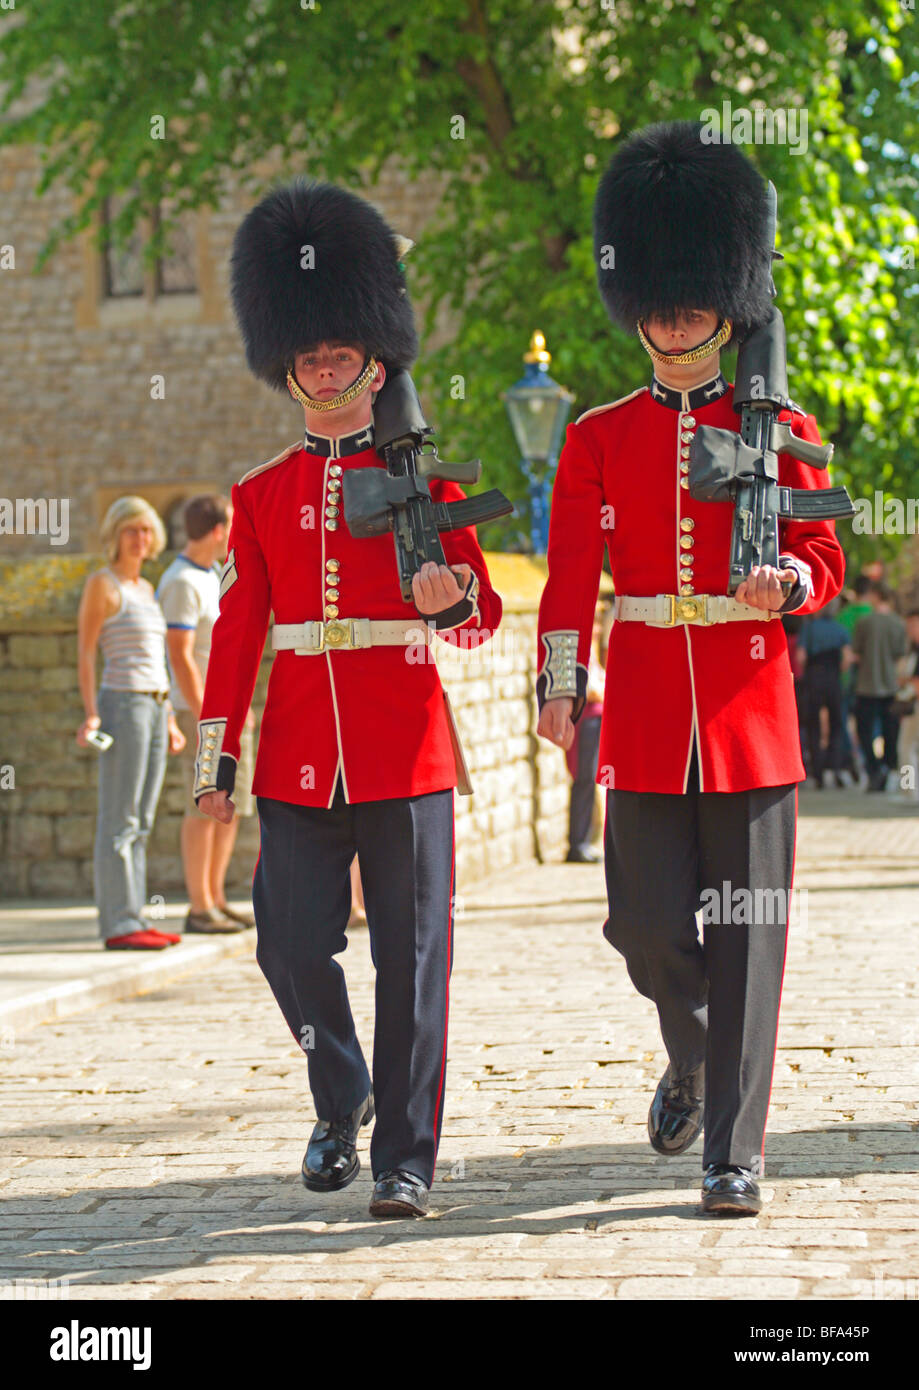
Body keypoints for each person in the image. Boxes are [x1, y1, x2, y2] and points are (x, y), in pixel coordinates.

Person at [536, 122, 845, 1216]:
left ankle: (735, 1154)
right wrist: (560, 685)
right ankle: (697, 1056)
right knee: (646, 924)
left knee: (749, 941)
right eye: (658, 302)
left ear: (727, 298)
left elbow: (822, 551)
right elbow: (569, 577)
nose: (673, 319)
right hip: (650, 709)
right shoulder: (597, 437)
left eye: (691, 298)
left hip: (751, 708)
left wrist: (790, 587)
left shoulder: (781, 425)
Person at [194, 180, 501, 1219]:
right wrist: (215, 769)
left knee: (412, 956)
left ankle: (406, 1156)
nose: (324, 368)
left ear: (375, 360)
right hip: (294, 760)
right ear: (288, 367)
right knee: (285, 940)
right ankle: (343, 1094)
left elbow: (481, 616)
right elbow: (239, 638)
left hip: (403, 748)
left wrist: (449, 592)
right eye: (308, 355)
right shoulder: (261, 494)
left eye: (340, 353)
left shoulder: (425, 481)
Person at [76, 497, 186, 950]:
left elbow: (157, 660)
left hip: (156, 707)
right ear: (115, 534)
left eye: (146, 530)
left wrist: (172, 719)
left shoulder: (147, 587)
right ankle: (119, 924)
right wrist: (91, 713)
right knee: (119, 819)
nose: (139, 538)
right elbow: (85, 653)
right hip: (122, 705)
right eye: (130, 530)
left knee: (141, 819)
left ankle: (135, 915)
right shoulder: (103, 585)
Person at [156, 494, 257, 935]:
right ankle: (199, 907)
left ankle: (216, 899)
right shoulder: (179, 581)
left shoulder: (215, 574)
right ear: (218, 531)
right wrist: (207, 718)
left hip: (227, 715)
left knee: (230, 805)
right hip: (203, 715)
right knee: (200, 809)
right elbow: (180, 657)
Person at [852, 582, 907, 791]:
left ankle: (874, 770)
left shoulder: (864, 622)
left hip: (866, 684)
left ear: (875, 596)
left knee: (865, 731)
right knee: (891, 731)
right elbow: (900, 655)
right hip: (891, 684)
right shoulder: (898, 623)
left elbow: (856, 652)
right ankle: (887, 766)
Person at [564, 602, 608, 862]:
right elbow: (589, 689)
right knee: (584, 780)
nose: (598, 628)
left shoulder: (591, 650)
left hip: (596, 718)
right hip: (586, 720)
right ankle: (577, 843)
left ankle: (586, 840)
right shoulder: (576, 651)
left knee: (591, 781)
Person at [799, 600, 852, 787]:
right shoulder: (840, 629)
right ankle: (836, 767)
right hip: (833, 679)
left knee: (813, 725)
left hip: (814, 678)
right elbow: (847, 658)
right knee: (837, 724)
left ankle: (818, 773)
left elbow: (801, 656)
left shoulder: (809, 628)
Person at [837, 574, 873, 779]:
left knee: (844, 717)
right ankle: (868, 760)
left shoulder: (843, 615)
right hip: (871, 677)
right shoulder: (874, 614)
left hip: (846, 674)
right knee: (868, 721)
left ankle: (851, 755)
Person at [893, 610, 919, 801]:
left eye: (913, 625)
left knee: (906, 748)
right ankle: (909, 791)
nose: (909, 629)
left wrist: (906, 680)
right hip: (911, 704)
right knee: (906, 747)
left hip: (915, 703)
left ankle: (910, 792)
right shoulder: (912, 648)